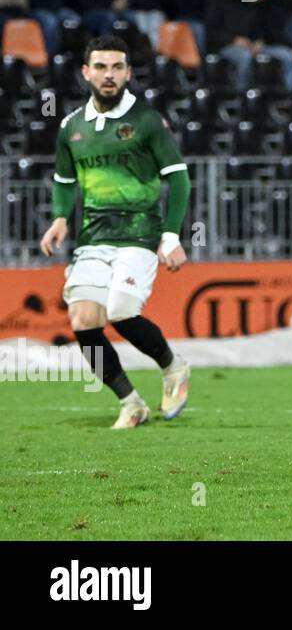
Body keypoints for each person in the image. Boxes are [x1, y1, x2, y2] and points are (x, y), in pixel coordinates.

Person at [39, 36, 192, 429]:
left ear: (128, 73)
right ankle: (131, 402)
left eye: (117, 67)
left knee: (122, 311)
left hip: (139, 232)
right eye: (102, 67)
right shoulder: (71, 126)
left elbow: (178, 179)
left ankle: (173, 367)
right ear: (87, 72)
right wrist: (60, 218)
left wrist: (171, 236)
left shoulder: (146, 120)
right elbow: (63, 179)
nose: (109, 75)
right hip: (93, 236)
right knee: (83, 319)